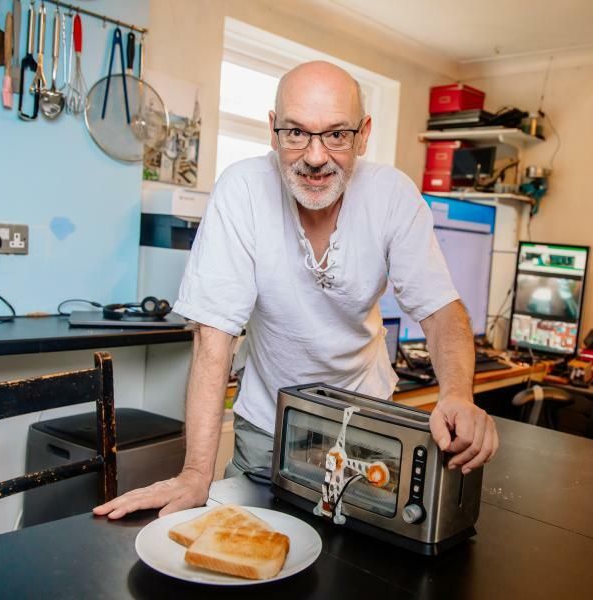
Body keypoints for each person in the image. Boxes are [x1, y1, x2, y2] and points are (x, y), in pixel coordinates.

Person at [94, 61, 499, 520]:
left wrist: (457, 394)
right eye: (296, 133)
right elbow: (213, 337)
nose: (316, 156)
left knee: (358, 553)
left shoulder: (393, 196)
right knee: (247, 538)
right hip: (268, 425)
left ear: (363, 135)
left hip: (366, 419)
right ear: (273, 130)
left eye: (337, 134)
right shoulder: (242, 190)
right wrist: (195, 474)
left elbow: (440, 310)